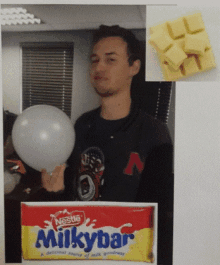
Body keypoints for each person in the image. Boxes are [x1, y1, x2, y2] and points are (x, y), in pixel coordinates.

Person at [5, 25, 174, 264]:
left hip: (125, 253)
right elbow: (74, 195)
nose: (99, 67)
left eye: (110, 59)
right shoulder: (82, 126)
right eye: (94, 60)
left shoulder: (154, 132)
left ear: (133, 67)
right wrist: (55, 192)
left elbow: (160, 214)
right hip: (80, 249)